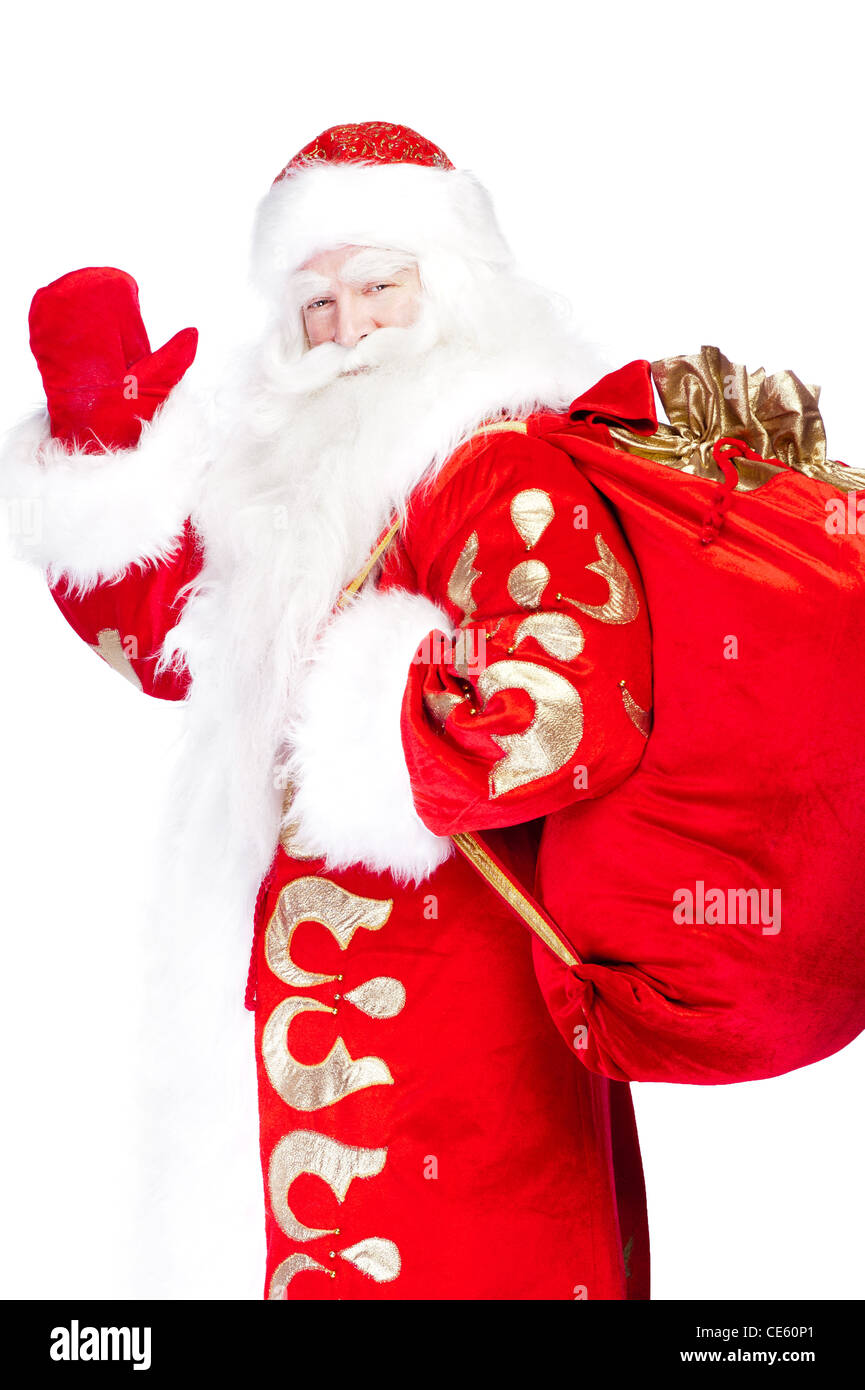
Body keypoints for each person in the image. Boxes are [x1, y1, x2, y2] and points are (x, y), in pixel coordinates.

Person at [2, 119, 658, 1300]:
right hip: (297, 1000)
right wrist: (102, 433)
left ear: (449, 283)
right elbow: (171, 641)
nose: (347, 328)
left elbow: (573, 696)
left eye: (378, 286)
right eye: (316, 303)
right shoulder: (285, 477)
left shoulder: (507, 458)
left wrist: (364, 714)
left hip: (473, 987)